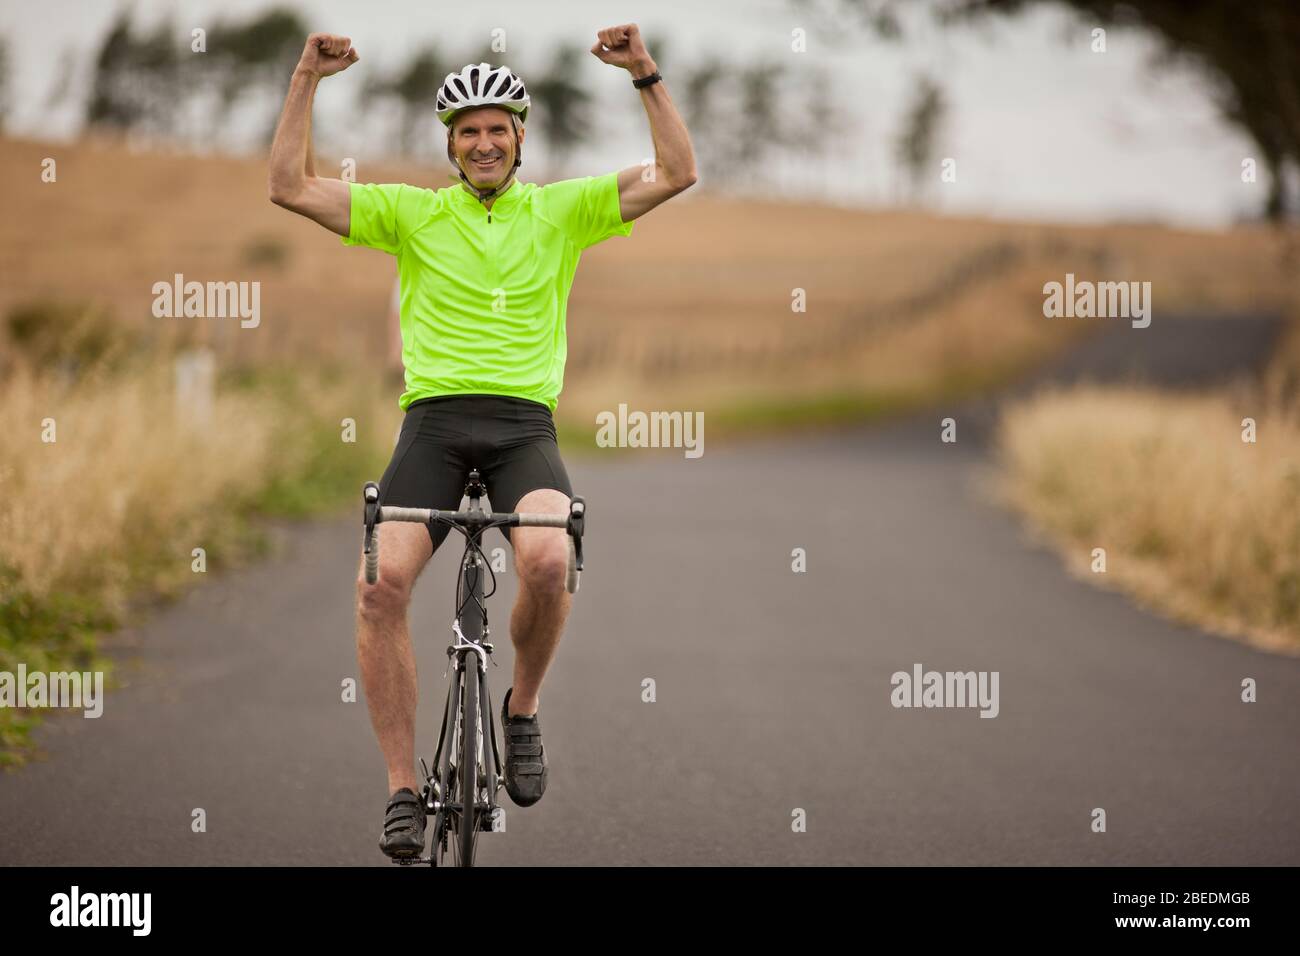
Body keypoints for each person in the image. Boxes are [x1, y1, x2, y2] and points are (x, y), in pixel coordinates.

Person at [267, 25, 697, 858]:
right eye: (469, 131)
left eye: (498, 128)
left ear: (521, 138)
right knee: (379, 587)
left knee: (544, 556)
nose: (485, 141)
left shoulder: (561, 210)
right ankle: (401, 788)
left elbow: (679, 173)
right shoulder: (409, 214)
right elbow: (287, 186)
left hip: (521, 428)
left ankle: (522, 712)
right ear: (451, 145)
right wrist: (305, 77)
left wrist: (642, 72)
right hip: (431, 424)